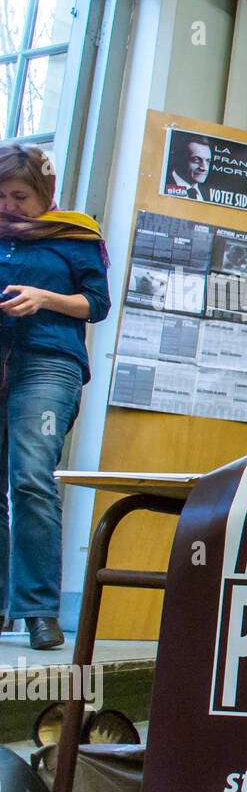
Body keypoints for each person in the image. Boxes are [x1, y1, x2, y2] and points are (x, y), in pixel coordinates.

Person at [0, 145, 111, 650]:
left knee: (30, 478)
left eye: (19, 195)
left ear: (44, 194)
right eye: (0, 195)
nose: (9, 205)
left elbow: (97, 304)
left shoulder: (75, 235)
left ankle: (40, 610)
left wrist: (43, 298)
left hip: (48, 361)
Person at [164, 134, 211, 201]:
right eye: (196, 160)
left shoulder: (208, 195)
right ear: (179, 159)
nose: (204, 168)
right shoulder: (164, 185)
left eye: (207, 161)